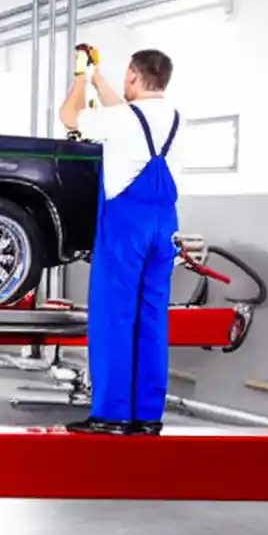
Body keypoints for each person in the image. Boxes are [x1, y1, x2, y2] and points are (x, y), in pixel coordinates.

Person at [58, 46, 181, 436]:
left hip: (126, 225)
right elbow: (126, 115)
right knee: (152, 320)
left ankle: (111, 415)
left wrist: (80, 76)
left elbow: (70, 117)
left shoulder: (122, 119)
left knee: (114, 317)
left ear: (132, 75)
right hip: (165, 226)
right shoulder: (176, 118)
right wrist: (98, 77)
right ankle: (147, 416)